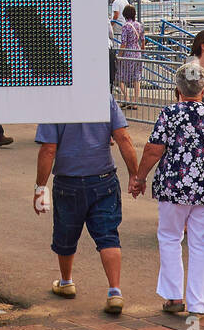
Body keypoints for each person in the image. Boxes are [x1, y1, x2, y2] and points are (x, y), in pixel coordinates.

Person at [132, 61, 204, 318]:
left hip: (172, 186)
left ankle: (173, 296)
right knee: (200, 244)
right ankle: (198, 303)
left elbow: (154, 149)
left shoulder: (169, 113)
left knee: (169, 238)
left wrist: (139, 177)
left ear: (178, 88)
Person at [35, 95, 138, 315]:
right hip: (104, 178)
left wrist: (40, 187)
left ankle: (66, 281)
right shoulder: (103, 98)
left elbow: (48, 149)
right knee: (108, 234)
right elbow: (123, 137)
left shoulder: (55, 100)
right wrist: (134, 175)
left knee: (66, 234)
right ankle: (114, 291)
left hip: (68, 180)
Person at [115, 4, 144, 101]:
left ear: (125, 14)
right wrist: (141, 50)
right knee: (136, 78)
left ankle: (126, 98)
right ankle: (135, 101)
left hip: (128, 52)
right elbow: (143, 40)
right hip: (137, 52)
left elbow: (124, 42)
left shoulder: (125, 26)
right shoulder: (139, 25)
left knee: (121, 76)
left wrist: (119, 55)